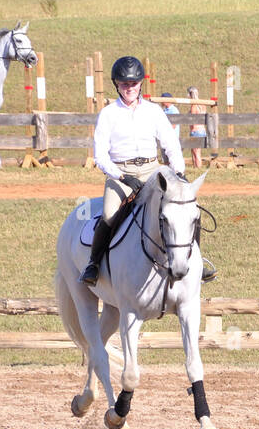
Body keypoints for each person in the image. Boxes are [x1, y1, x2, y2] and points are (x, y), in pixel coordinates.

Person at [81, 56, 216, 286]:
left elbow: (170, 144)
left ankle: (197, 262)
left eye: (133, 83)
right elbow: (101, 157)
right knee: (110, 214)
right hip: (121, 172)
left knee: (187, 207)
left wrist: (179, 172)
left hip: (153, 168)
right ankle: (94, 263)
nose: (129, 88)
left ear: (140, 84)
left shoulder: (154, 111)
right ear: (117, 85)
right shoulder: (108, 114)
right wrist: (122, 177)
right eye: (124, 84)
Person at [187, 86, 207, 168]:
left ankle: (198, 168)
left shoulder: (194, 106)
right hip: (202, 130)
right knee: (198, 152)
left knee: (196, 152)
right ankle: (197, 168)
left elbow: (192, 119)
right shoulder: (202, 104)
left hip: (195, 131)